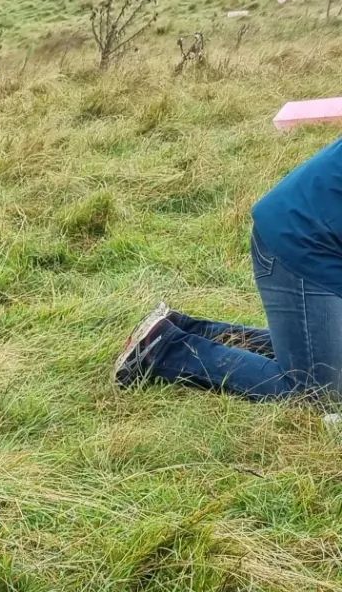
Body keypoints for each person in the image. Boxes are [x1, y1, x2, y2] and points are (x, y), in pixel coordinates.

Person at [114, 137, 342, 402]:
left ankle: (195, 332)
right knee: (316, 391)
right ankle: (165, 350)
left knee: (326, 355)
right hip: (299, 242)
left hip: (311, 232)